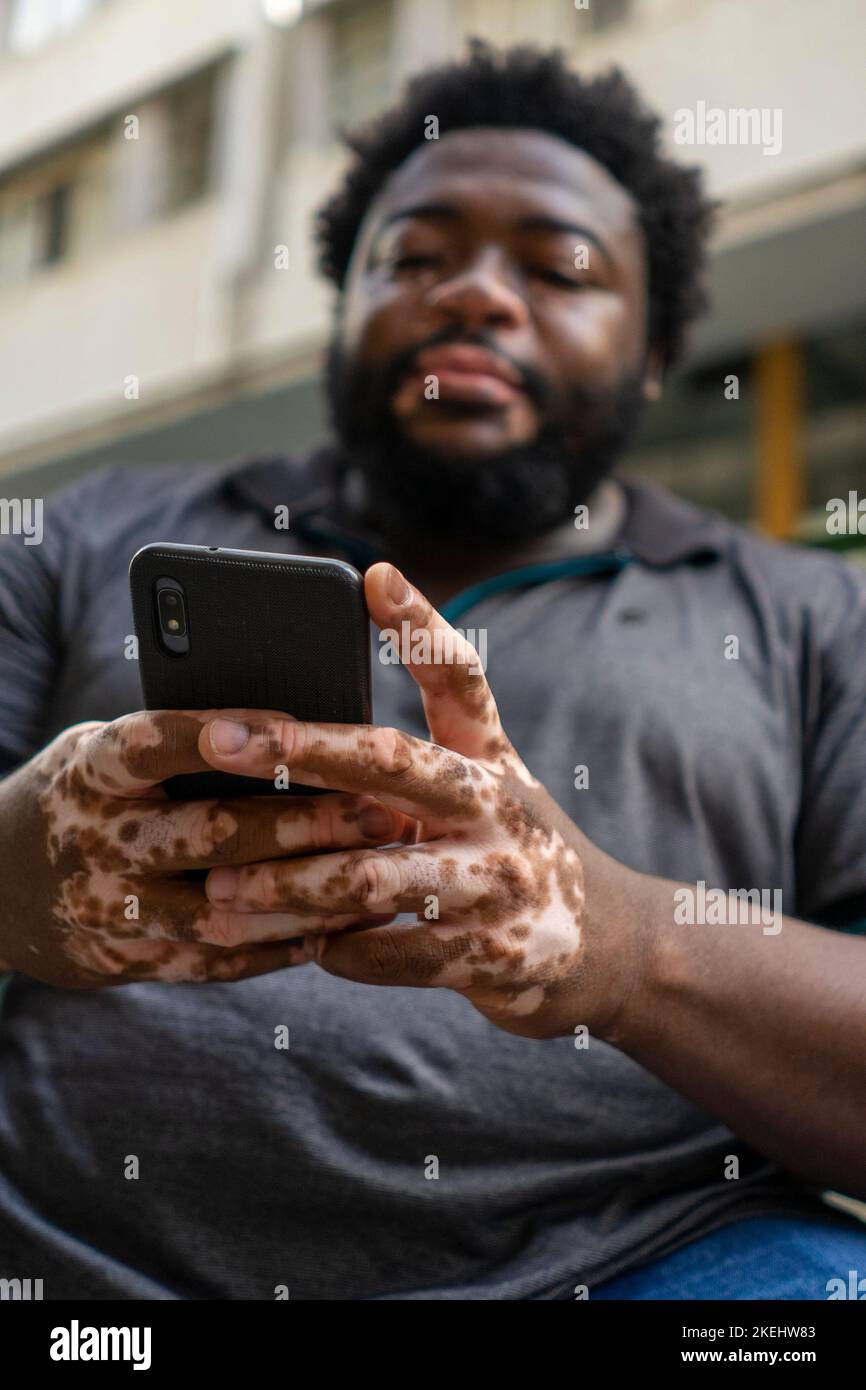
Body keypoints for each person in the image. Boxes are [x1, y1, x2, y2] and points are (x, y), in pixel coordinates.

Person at [0, 42, 864, 1302]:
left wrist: (612, 948)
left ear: (649, 349)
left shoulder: (809, 617)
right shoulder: (81, 535)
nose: (474, 296)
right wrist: (19, 881)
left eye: (558, 269)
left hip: (650, 1266)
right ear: (343, 306)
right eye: (412, 256)